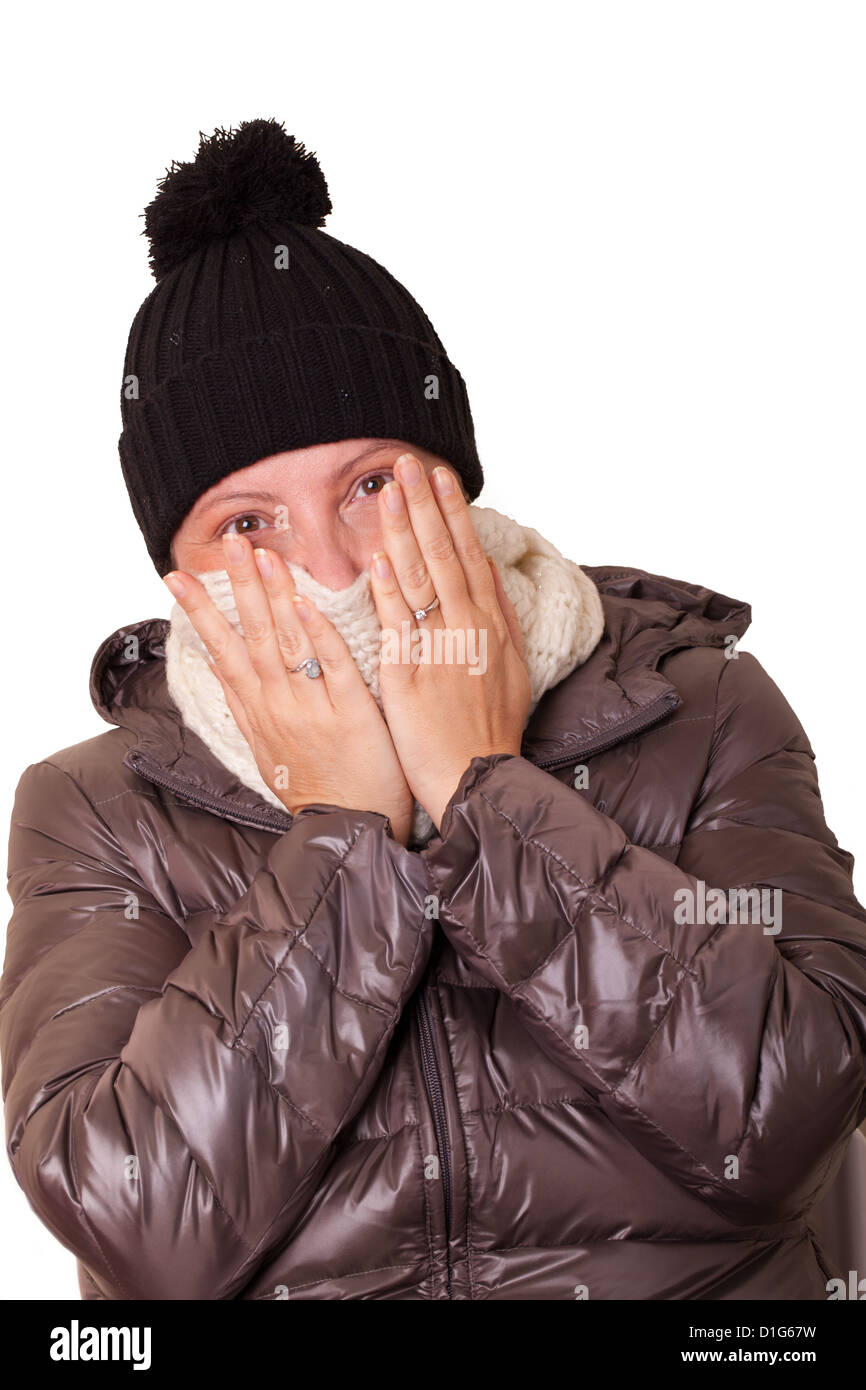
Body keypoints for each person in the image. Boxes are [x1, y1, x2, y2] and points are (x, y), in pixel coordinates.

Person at [1, 117, 865, 1302]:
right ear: (180, 574)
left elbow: (792, 1111)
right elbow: (135, 1217)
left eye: (370, 485)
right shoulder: (99, 807)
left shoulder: (694, 703)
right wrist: (341, 837)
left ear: (453, 480)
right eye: (248, 524)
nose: (332, 570)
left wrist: (482, 790)